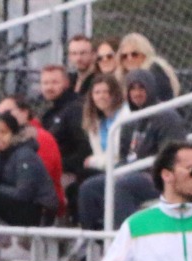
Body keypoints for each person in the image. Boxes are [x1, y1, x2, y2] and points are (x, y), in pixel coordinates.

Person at [76, 69, 181, 231]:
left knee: (122, 186)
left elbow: (171, 156)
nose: (137, 93)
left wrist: (137, 171)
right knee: (89, 187)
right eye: (132, 89)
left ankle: (127, 240)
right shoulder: (130, 120)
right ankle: (96, 242)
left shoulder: (166, 117)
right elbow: (125, 155)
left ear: (151, 89)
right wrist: (120, 170)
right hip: (131, 172)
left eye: (141, 88)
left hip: (158, 177)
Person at [0, 111, 57, 238]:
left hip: (39, 211)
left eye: (4, 133)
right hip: (19, 205)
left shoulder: (24, 154)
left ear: (14, 134)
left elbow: (24, 193)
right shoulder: (1, 154)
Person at [0, 95, 67, 218]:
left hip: (37, 204)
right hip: (13, 197)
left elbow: (35, 180)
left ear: (24, 113)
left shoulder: (41, 138)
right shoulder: (3, 140)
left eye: (8, 112)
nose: (3, 118)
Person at [39, 65, 88, 201]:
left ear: (66, 83)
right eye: (45, 83)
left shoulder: (75, 109)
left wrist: (59, 165)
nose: (49, 87)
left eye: (55, 82)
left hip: (68, 173)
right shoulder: (50, 112)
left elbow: (83, 148)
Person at [78, 71, 125, 193]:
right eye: (97, 93)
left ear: (115, 94)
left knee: (87, 183)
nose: (101, 96)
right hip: (105, 169)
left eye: (106, 92)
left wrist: (94, 161)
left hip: (121, 169)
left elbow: (118, 155)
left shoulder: (124, 115)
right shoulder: (95, 121)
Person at [115, 32, 180, 98]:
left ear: (144, 54)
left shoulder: (154, 71)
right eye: (124, 56)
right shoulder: (124, 77)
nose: (129, 59)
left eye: (134, 54)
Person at [68, 33, 104, 102]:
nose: (78, 58)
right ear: (69, 57)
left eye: (83, 53)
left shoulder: (99, 80)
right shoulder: (69, 81)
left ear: (94, 55)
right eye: (74, 54)